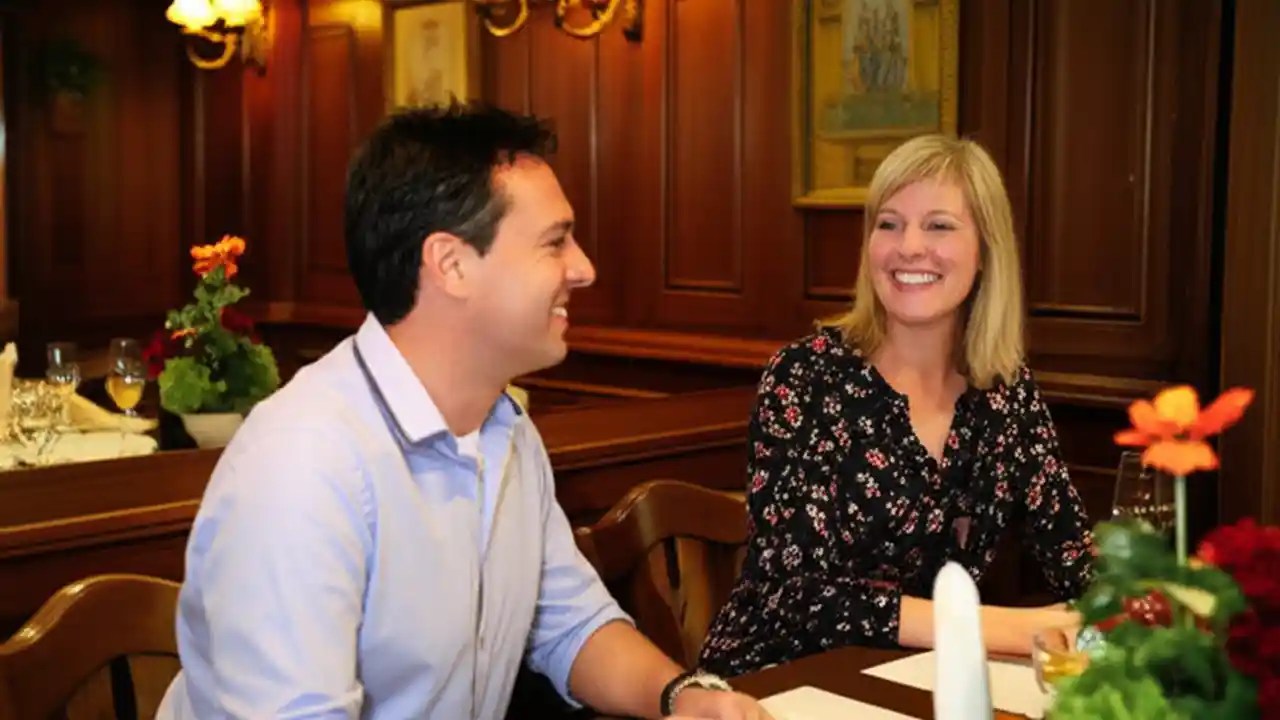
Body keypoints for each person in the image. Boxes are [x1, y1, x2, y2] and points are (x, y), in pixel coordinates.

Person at [156, 103, 771, 720]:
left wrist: (684, 699)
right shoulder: (303, 461)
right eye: (555, 242)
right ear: (450, 264)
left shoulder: (505, 429)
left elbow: (569, 624)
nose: (583, 268)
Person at [697, 134, 1094, 678]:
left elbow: (1074, 554)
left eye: (938, 225)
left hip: (918, 681)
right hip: (776, 684)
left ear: (986, 251)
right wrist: (1003, 627)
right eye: (888, 223)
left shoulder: (1007, 390)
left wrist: (1156, 596)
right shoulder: (805, 378)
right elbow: (798, 596)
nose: (908, 246)